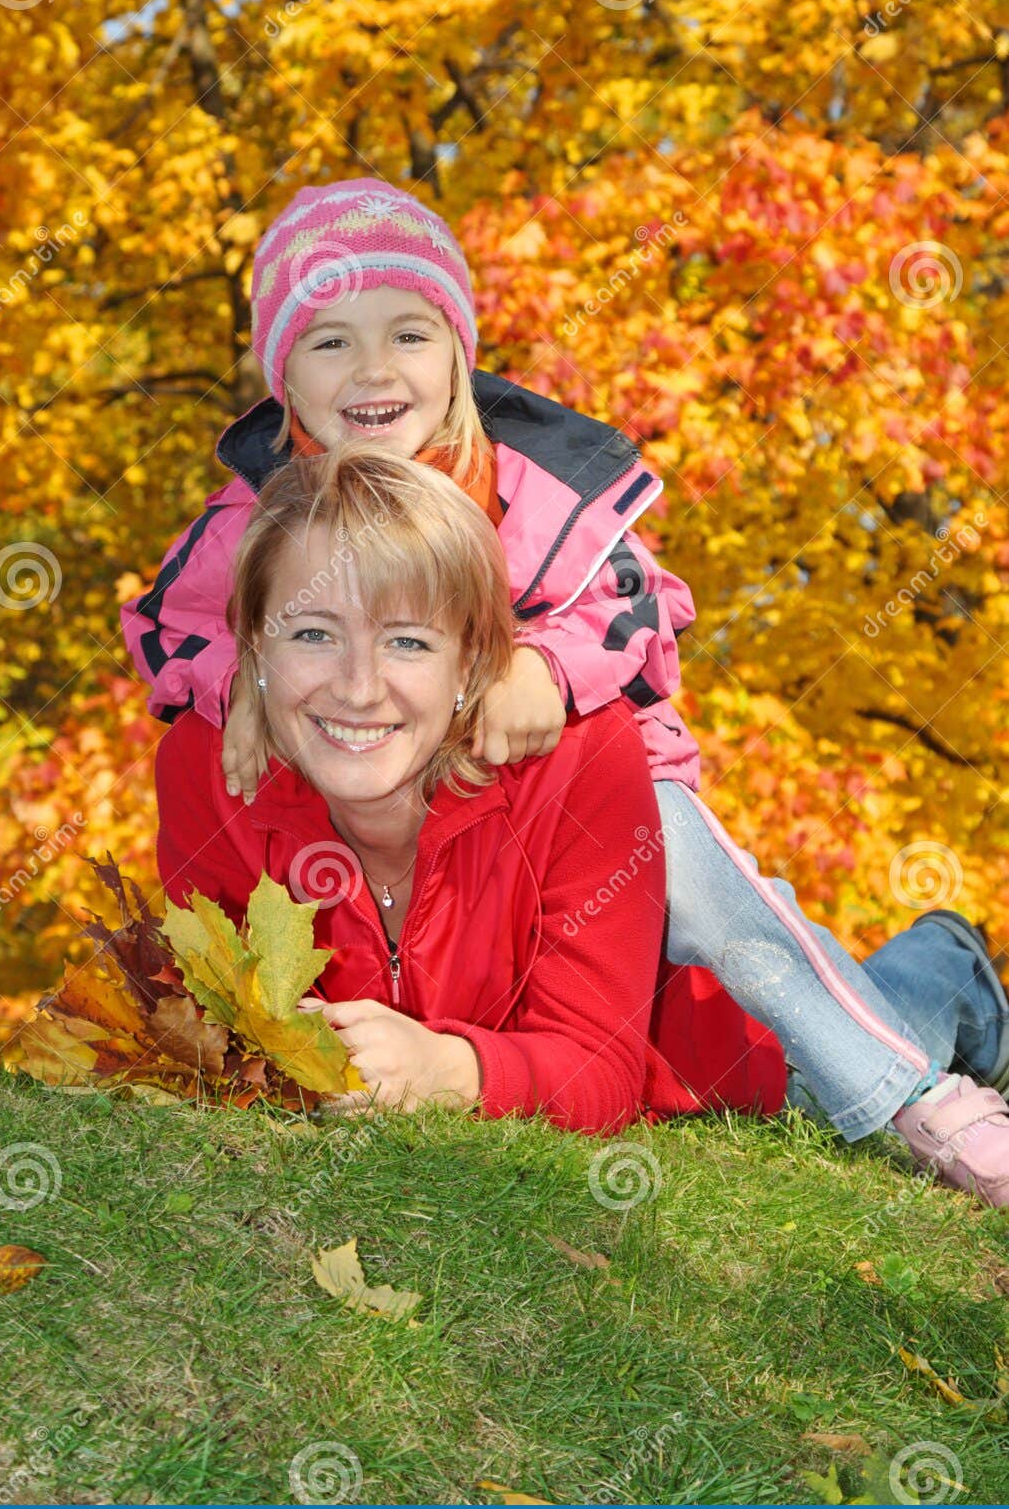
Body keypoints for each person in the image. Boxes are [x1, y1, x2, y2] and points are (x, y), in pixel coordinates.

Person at [126, 176, 1009, 1187]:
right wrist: (241, 682)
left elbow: (640, 602)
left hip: (594, 785)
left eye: (409, 335)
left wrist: (543, 664)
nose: (373, 369)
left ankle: (915, 1079)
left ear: (460, 349)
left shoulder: (535, 483)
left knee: (736, 953)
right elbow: (168, 628)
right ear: (276, 368)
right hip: (468, 846)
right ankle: (935, 971)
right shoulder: (253, 522)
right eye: (329, 341)